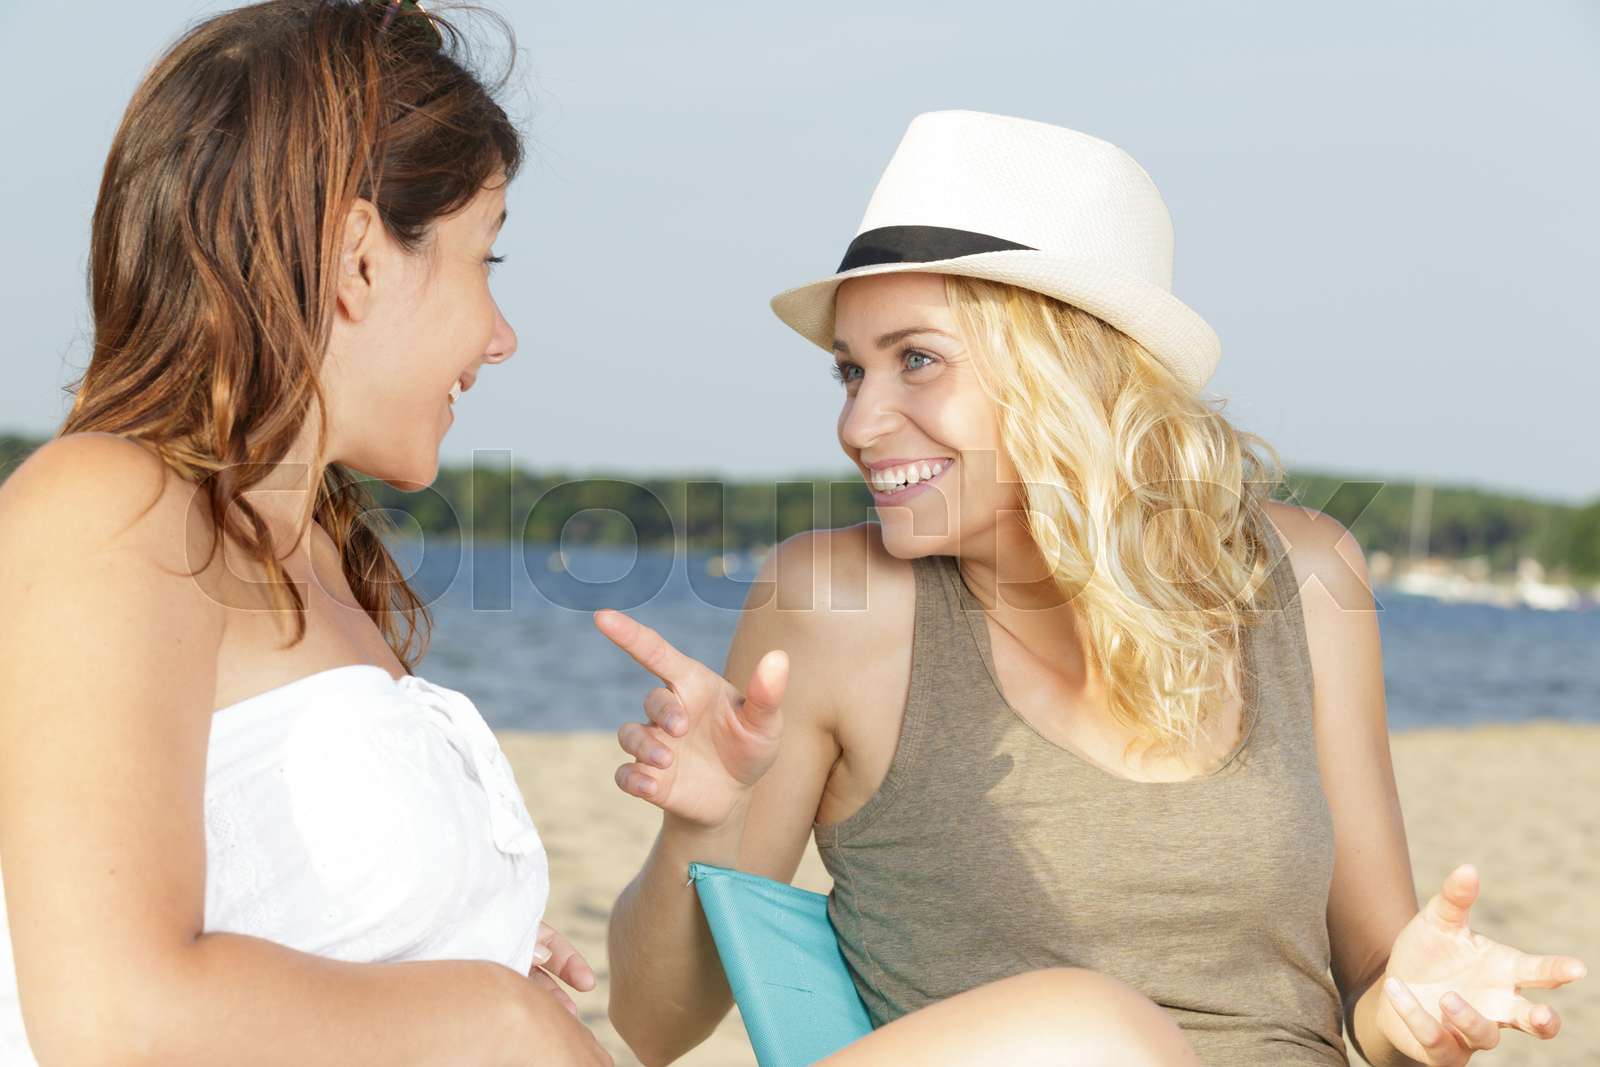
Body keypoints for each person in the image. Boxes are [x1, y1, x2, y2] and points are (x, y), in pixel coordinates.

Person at [597, 110, 1588, 1066]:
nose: (860, 424)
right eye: (850, 372)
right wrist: (699, 821)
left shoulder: (1308, 576)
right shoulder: (834, 603)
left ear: (1071, 370)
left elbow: (1373, 984)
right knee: (1092, 1025)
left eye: (917, 360)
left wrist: (1410, 1014)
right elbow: (654, 1027)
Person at [0, 2, 609, 1064]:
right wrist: (496, 1014)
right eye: (485, 261)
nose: (500, 337)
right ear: (358, 257)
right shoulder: (103, 506)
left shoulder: (318, 550)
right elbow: (111, 1017)